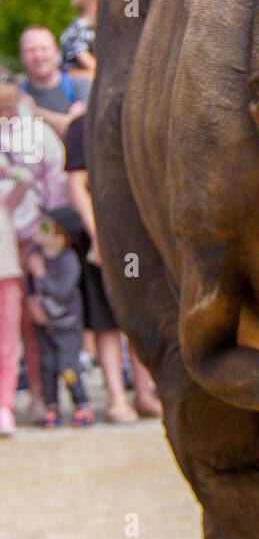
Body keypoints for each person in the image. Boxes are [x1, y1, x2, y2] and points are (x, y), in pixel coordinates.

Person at [64, 112, 161, 421]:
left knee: (139, 315)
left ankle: (145, 393)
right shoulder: (83, 125)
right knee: (106, 321)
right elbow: (77, 184)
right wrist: (98, 235)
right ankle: (117, 397)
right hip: (100, 240)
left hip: (138, 237)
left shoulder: (135, 117)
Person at [0, 71, 70, 420]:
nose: (5, 113)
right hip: (2, 240)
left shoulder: (38, 134)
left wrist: (43, 242)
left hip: (34, 238)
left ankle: (43, 395)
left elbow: (55, 189)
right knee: (8, 321)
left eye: (8, 105)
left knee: (36, 318)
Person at [26, 206, 94, 427]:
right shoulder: (35, 255)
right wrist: (32, 303)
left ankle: (81, 404)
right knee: (47, 365)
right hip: (45, 323)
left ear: (60, 236)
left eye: (47, 226)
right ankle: (52, 406)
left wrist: (41, 274)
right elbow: (29, 284)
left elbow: (62, 291)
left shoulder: (68, 260)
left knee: (68, 366)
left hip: (67, 324)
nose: (40, 228)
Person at [0, 154, 35, 436]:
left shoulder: (4, 202)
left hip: (7, 276)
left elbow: (26, 179)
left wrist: (6, 168)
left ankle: (4, 407)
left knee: (8, 345)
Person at [19, 26, 89, 141]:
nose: (38, 56)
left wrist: (33, 111)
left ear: (57, 53)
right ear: (21, 57)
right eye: (31, 50)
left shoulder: (80, 86)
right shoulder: (16, 93)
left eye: (44, 49)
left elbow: (74, 130)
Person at [59, 0, 99, 83]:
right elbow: (94, 66)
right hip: (74, 82)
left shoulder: (88, 30)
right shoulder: (78, 31)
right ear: (93, 5)